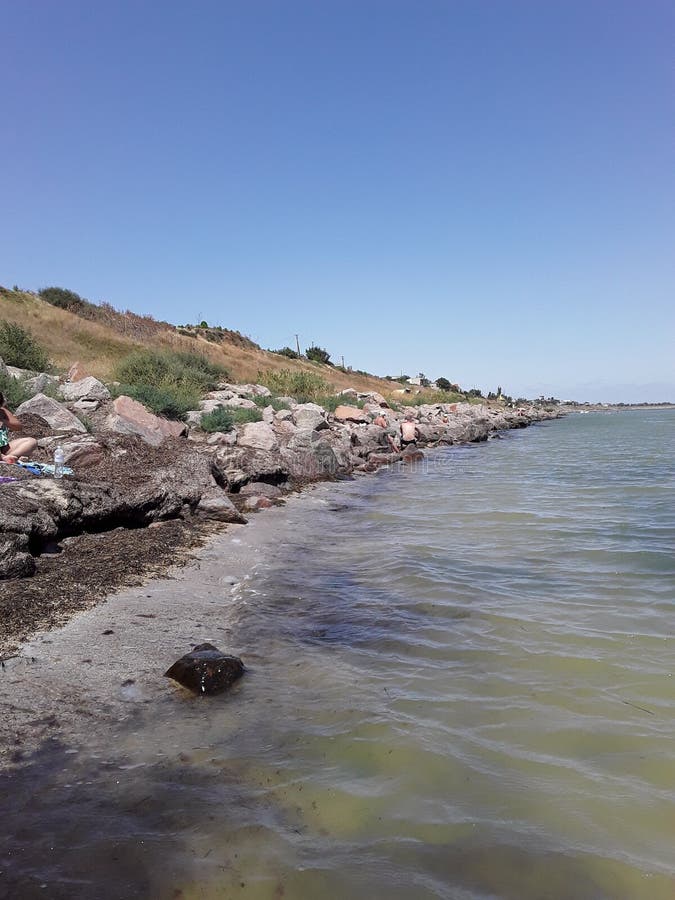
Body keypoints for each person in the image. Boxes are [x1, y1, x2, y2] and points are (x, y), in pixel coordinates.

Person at [0, 393, 38, 462]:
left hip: (3, 447)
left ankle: (9, 457)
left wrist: (3, 420)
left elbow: (18, 427)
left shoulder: (2, 411)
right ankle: (4, 458)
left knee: (31, 441)